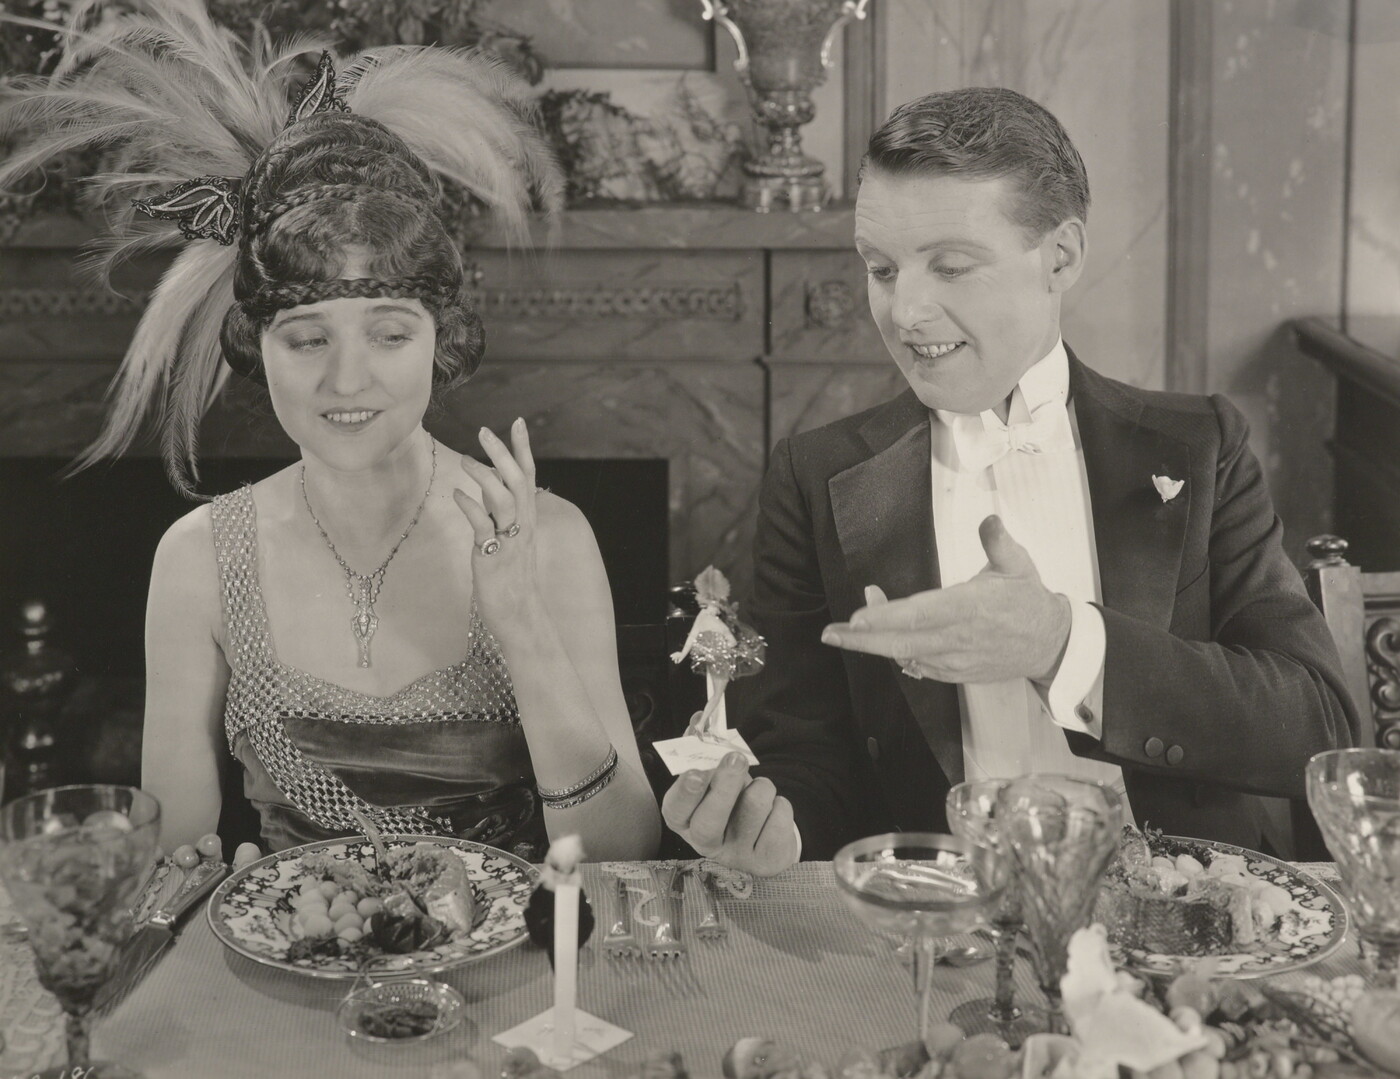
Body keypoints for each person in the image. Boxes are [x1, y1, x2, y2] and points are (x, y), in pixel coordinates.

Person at [1, 0, 661, 861]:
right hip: (287, 982)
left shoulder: (551, 537)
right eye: (307, 337)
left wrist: (521, 622)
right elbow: (178, 861)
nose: (346, 378)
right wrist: (198, 877)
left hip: (510, 984)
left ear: (442, 341)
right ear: (255, 347)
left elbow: (625, 855)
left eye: (389, 333)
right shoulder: (197, 557)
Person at [662, 87, 1357, 873]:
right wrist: (767, 832)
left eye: (952, 266)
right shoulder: (815, 476)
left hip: (1180, 917)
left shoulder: (1201, 446)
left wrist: (1062, 642)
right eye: (881, 269)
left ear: (1060, 257)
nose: (905, 310)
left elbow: (1319, 726)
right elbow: (807, 765)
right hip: (938, 933)